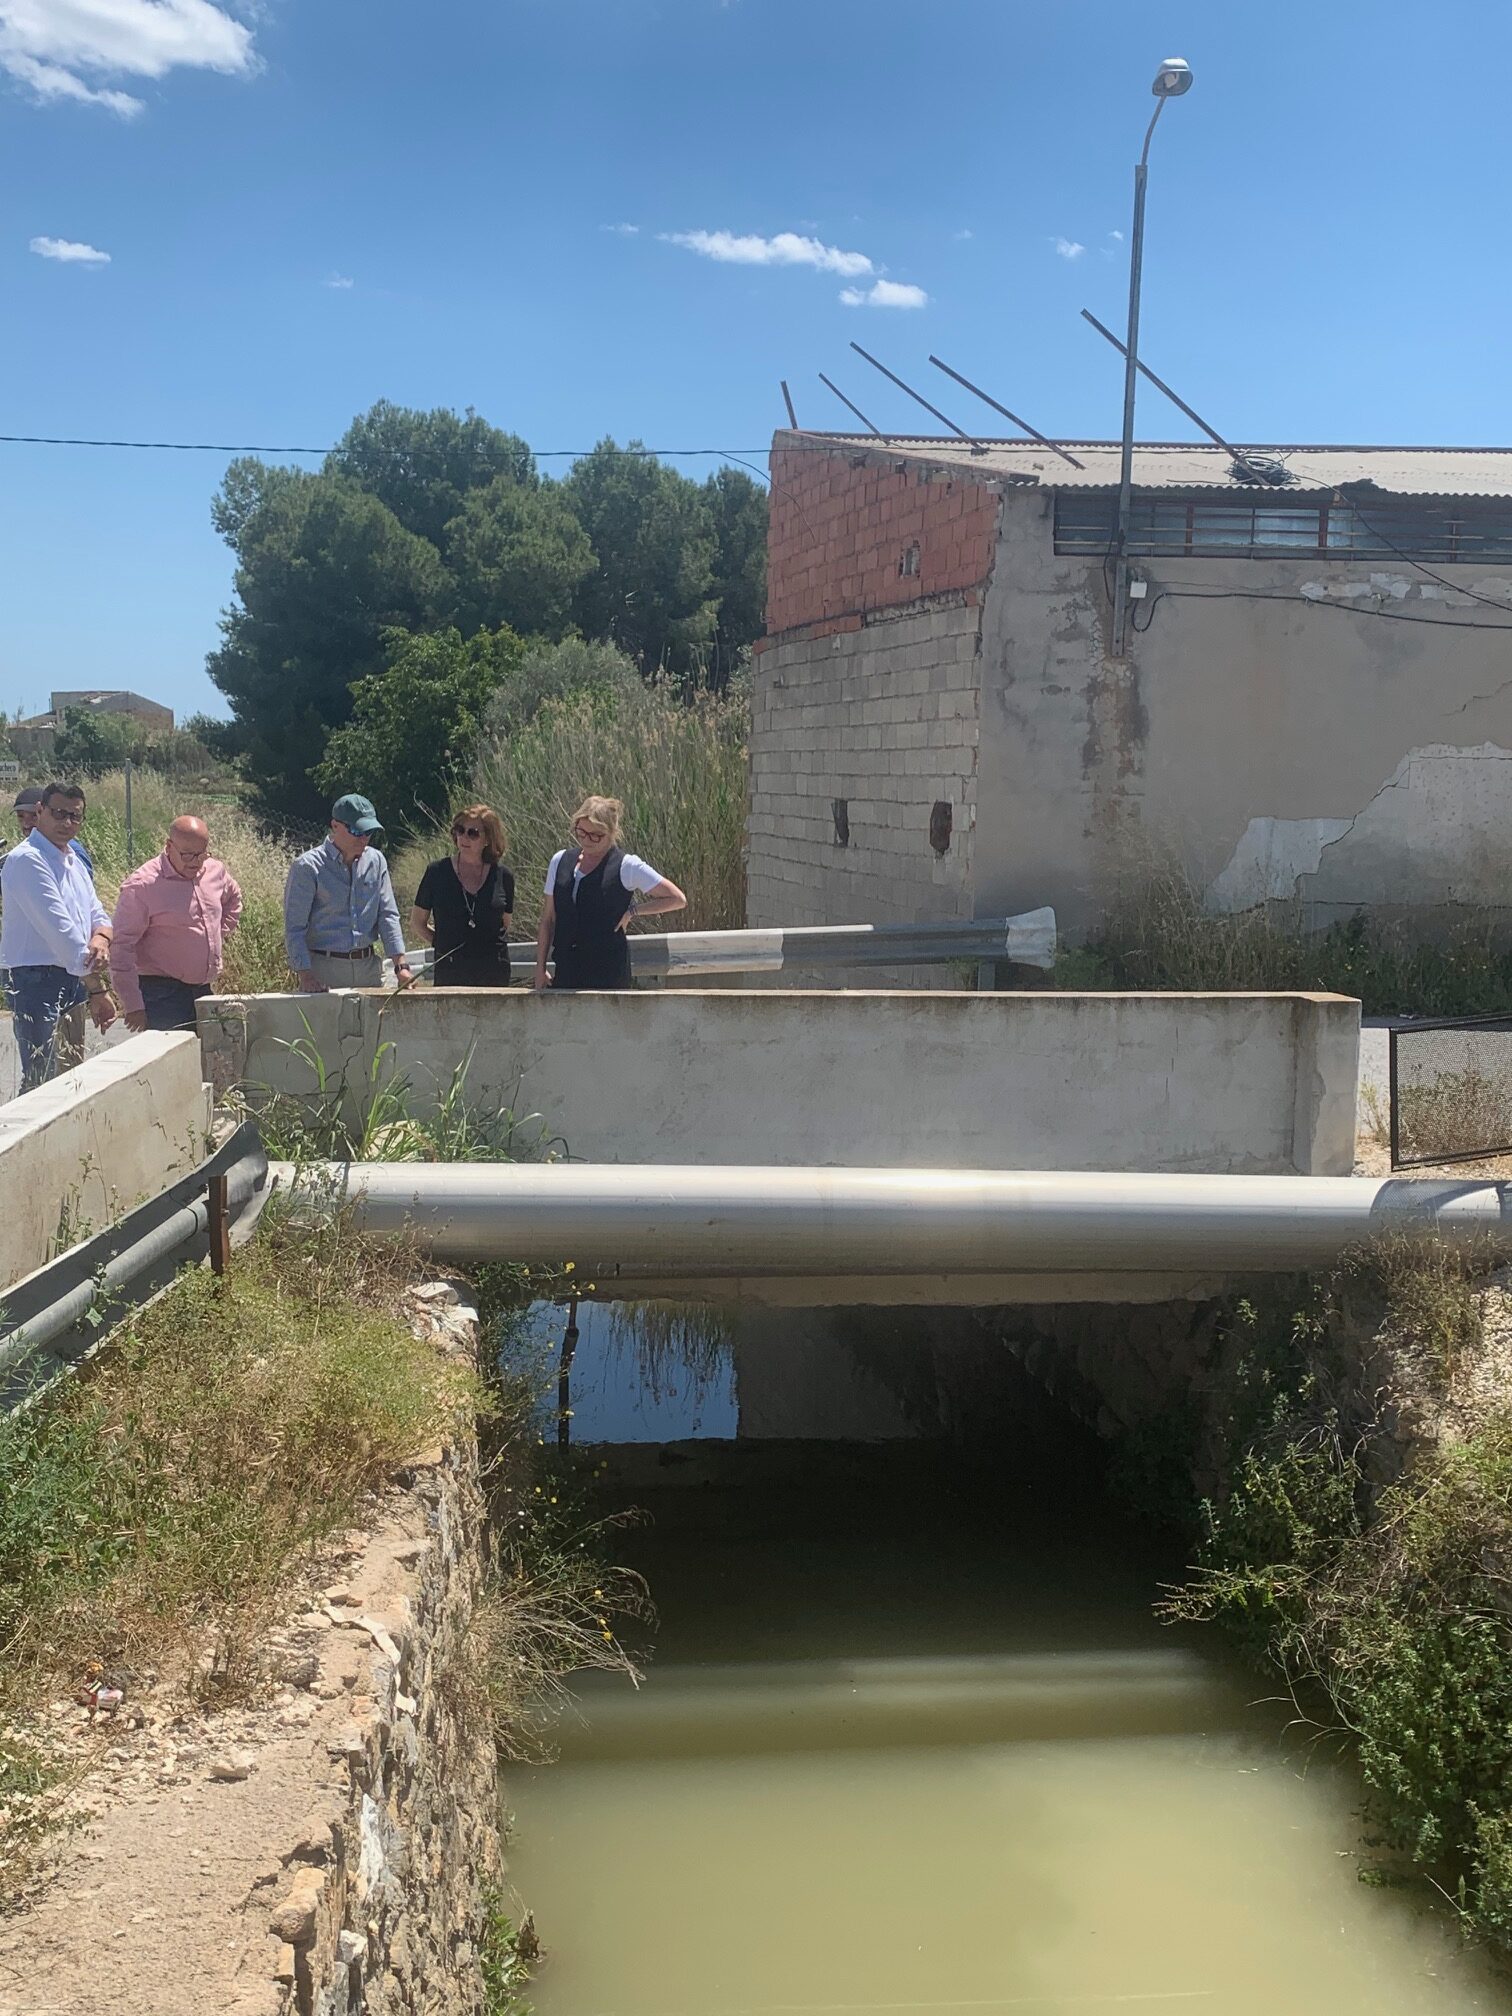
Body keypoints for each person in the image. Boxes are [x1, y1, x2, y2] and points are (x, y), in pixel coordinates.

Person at [0, 782, 116, 1090]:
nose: (67, 823)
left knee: (70, 1078)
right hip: (36, 981)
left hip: (72, 977)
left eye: (75, 816)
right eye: (59, 813)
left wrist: (101, 939)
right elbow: (64, 936)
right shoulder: (28, 860)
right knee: (44, 1082)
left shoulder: (71, 860)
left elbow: (99, 916)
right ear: (40, 811)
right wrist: (97, 989)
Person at [534, 795, 686, 992]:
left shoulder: (627, 865)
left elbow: (676, 898)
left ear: (611, 833)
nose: (587, 840)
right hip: (566, 971)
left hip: (608, 975)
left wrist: (633, 911)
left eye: (595, 835)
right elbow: (548, 919)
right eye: (581, 832)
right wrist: (540, 968)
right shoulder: (559, 860)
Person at [110, 816, 243, 1032]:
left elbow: (234, 897)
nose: (195, 862)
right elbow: (120, 947)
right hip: (161, 996)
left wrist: (214, 933)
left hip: (203, 992)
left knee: (207, 1060)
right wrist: (133, 1004)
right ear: (168, 846)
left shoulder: (214, 871)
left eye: (202, 853)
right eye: (187, 855)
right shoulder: (142, 886)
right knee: (171, 1063)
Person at [283, 793, 415, 994]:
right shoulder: (307, 867)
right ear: (335, 826)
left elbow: (387, 915)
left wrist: (401, 966)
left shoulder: (376, 861)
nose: (363, 838)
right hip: (324, 970)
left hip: (368, 968)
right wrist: (306, 975)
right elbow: (295, 928)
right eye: (356, 830)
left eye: (369, 831)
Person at [410, 803, 515, 989]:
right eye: (460, 830)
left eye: (473, 833)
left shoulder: (503, 875)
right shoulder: (437, 872)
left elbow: (504, 923)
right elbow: (418, 923)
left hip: (493, 971)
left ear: (488, 839)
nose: (464, 837)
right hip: (450, 970)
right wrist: (442, 943)